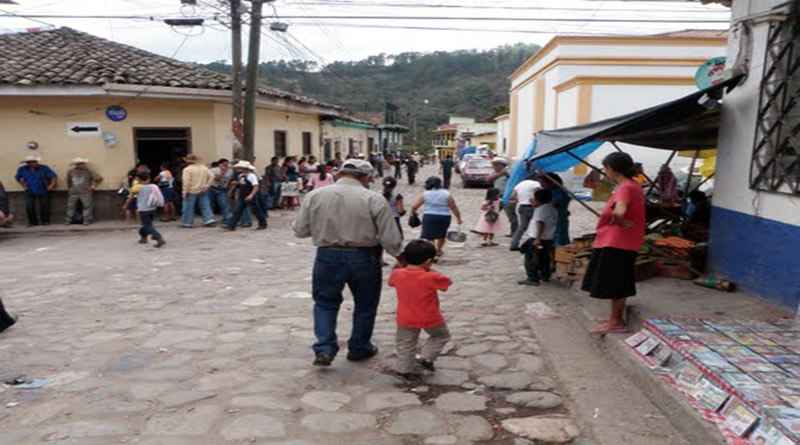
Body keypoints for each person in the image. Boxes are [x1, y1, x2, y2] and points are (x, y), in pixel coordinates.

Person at [293, 159, 403, 367]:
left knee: (325, 303)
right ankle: (359, 348)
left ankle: (324, 348)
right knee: (365, 304)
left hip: (327, 256)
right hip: (364, 256)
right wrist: (400, 256)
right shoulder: (373, 198)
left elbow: (300, 231)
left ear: (341, 173)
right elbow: (389, 236)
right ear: (365, 177)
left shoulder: (315, 195)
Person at [582, 152, 646, 335]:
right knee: (616, 281)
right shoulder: (630, 185)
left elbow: (620, 210)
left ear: (611, 169)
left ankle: (616, 322)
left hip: (618, 241)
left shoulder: (625, 187)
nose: (604, 172)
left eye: (605, 169)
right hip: (619, 240)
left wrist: (620, 220)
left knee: (616, 283)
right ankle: (614, 318)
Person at [388, 240, 452, 380]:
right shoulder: (430, 276)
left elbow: (390, 282)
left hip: (405, 316)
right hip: (430, 316)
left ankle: (403, 370)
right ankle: (427, 358)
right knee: (441, 336)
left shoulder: (397, 274)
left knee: (405, 343)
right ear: (428, 261)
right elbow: (447, 282)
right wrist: (430, 269)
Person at [410, 176, 463, 258]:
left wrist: (413, 213)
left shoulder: (425, 194)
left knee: (430, 237)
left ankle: (432, 253)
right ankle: (438, 250)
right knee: (441, 235)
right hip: (444, 217)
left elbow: (414, 206)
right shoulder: (446, 194)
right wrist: (458, 217)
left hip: (429, 216)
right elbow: (453, 207)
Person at [519, 189, 557, 286]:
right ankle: (545, 274)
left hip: (538, 238)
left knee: (530, 257)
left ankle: (532, 278)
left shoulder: (541, 210)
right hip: (549, 237)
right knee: (544, 257)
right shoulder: (552, 209)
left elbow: (540, 223)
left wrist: (537, 238)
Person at [223, 161, 268, 231]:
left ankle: (263, 223)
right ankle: (231, 225)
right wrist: (233, 188)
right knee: (237, 210)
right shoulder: (241, 176)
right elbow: (241, 184)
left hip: (250, 195)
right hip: (242, 195)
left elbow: (256, 186)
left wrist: (251, 195)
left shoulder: (251, 176)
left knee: (256, 210)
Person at [15, 156, 57, 226]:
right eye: (33, 162)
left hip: (43, 189)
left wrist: (51, 185)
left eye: (36, 162)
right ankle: (32, 222)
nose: (36, 163)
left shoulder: (43, 168)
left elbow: (53, 176)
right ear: (28, 163)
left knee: (45, 206)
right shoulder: (22, 169)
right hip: (30, 190)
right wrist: (24, 186)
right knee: (29, 206)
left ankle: (45, 221)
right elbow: (17, 178)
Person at [128, 171, 166, 248]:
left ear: (138, 179)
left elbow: (130, 197)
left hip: (143, 209)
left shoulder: (136, 187)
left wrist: (126, 205)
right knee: (147, 225)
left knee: (147, 225)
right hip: (152, 208)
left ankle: (158, 237)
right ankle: (143, 238)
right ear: (148, 178)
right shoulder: (153, 186)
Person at [180, 154, 216, 228]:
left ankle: (187, 222)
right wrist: (207, 185)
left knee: (188, 207)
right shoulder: (203, 167)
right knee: (205, 205)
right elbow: (212, 176)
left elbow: (187, 182)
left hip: (191, 190)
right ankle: (209, 219)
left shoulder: (187, 169)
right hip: (203, 189)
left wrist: (184, 191)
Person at [65, 157, 103, 225]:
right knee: (71, 206)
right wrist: (69, 189)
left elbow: (99, 178)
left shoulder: (88, 171)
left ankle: (86, 220)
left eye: (83, 164)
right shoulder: (70, 172)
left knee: (87, 206)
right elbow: (68, 181)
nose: (83, 165)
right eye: (81, 164)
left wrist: (93, 186)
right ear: (77, 165)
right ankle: (68, 220)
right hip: (74, 192)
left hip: (85, 192)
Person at [509, 173, 542, 250]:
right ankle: (535, 243)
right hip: (532, 206)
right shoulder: (535, 184)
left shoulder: (519, 184)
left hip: (522, 206)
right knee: (536, 225)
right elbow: (537, 194)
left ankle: (514, 244)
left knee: (522, 227)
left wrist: (520, 199)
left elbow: (512, 196)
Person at [486, 158, 515, 236]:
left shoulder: (508, 172)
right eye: (493, 165)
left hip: (506, 196)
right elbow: (488, 180)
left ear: (502, 165)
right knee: (492, 214)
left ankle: (513, 231)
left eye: (496, 165)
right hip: (495, 197)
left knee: (510, 214)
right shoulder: (494, 172)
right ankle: (486, 230)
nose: (494, 167)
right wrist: (499, 174)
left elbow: (514, 180)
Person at [543, 173, 572, 247]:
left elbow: (555, 204)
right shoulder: (549, 192)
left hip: (559, 219)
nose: (542, 185)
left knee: (559, 239)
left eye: (543, 183)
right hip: (551, 220)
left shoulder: (560, 192)